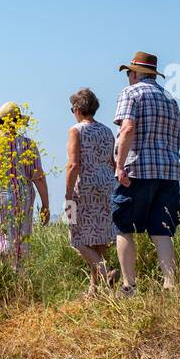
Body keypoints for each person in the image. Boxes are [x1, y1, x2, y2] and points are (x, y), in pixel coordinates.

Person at [111, 52, 180, 294]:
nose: (128, 77)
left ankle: (129, 285)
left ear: (135, 73)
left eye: (129, 72)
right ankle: (169, 284)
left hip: (137, 170)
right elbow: (176, 136)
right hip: (168, 172)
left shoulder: (130, 94)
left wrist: (119, 166)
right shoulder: (170, 98)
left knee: (124, 227)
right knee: (162, 230)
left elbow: (128, 128)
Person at [63, 88, 118, 294]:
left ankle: (105, 271)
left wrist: (68, 193)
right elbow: (112, 162)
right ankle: (94, 288)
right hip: (106, 185)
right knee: (100, 237)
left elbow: (73, 164)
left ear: (77, 108)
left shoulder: (76, 130)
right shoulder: (106, 131)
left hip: (85, 186)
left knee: (77, 238)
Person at [0, 102, 49, 266]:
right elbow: (38, 177)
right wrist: (45, 205)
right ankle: (18, 278)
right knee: (21, 237)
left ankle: (2, 275)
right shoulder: (28, 144)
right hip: (23, 196)